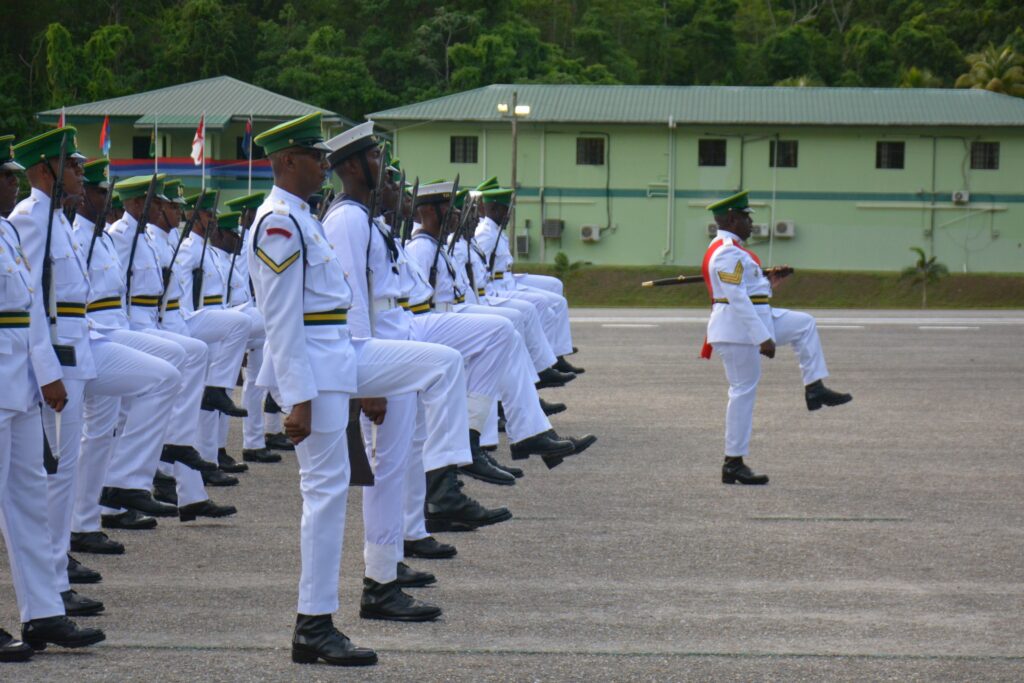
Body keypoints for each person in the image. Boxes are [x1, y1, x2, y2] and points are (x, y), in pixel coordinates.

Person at [250, 112, 474, 665]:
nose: (321, 164)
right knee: (324, 499)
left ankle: (444, 475)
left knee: (443, 362)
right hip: (318, 374)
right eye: (310, 155)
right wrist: (297, 397)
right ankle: (314, 624)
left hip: (341, 358)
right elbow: (279, 320)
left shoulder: (305, 219)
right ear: (284, 162)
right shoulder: (278, 222)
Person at [1, 130, 105, 658]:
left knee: (27, 503)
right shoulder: (23, 221)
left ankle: (43, 613)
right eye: (5, 177)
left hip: (18, 382)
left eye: (15, 176)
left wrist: (46, 372)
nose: (11, 184)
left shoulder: (7, 232)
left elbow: (32, 311)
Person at [702, 190, 852, 485]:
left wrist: (770, 281)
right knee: (743, 392)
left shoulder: (732, 249)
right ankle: (733, 462)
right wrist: (762, 337)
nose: (750, 223)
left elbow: (751, 293)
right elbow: (735, 297)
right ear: (732, 218)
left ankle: (815, 387)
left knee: (804, 325)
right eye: (746, 217)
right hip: (739, 330)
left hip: (756, 320)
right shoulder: (727, 252)